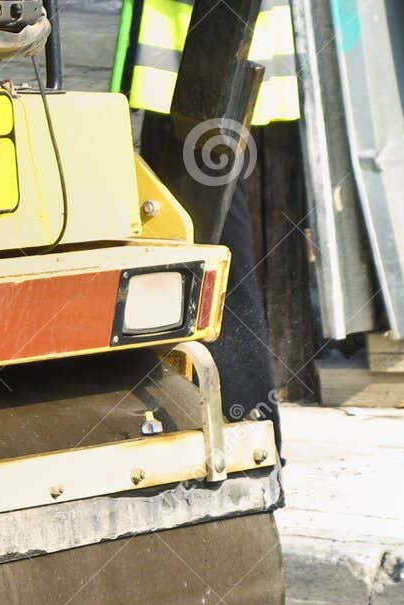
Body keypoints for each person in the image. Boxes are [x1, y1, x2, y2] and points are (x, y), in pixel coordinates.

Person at [114, 0, 300, 426]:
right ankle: (226, 412)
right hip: (195, 71)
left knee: (214, 250)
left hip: (205, 70)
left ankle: (245, 416)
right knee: (191, 244)